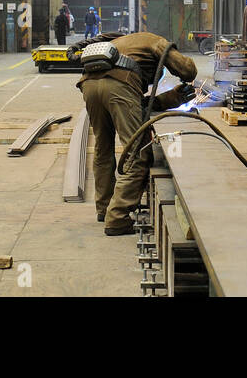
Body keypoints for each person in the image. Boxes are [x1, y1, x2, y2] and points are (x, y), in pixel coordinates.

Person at [75, 31, 197, 235]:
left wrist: (171, 98)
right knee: (138, 153)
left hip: (88, 85)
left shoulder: (120, 43)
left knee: (103, 148)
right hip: (119, 84)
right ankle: (118, 217)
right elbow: (187, 71)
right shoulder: (156, 40)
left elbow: (135, 104)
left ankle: (104, 208)